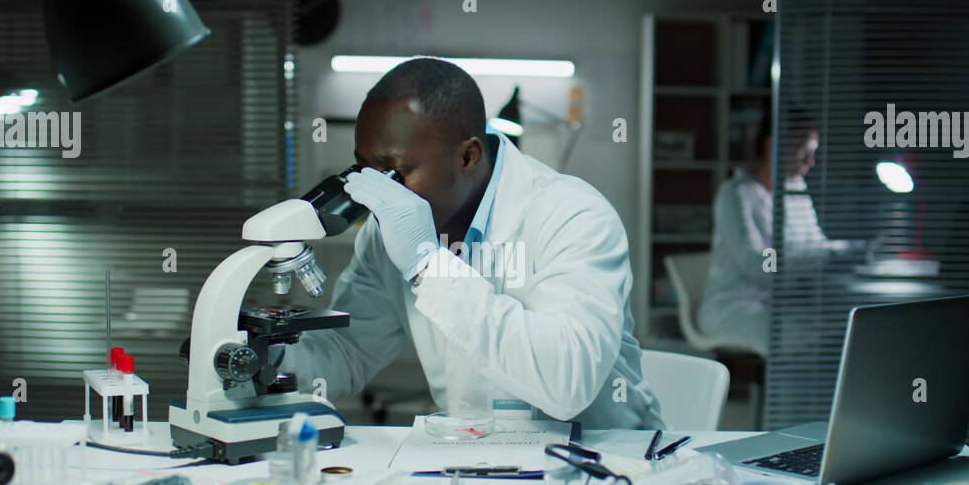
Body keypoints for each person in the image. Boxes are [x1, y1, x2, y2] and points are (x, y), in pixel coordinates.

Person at [287, 57, 662, 430]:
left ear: (468, 156)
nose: (376, 193)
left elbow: (566, 383)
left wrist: (427, 267)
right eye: (363, 169)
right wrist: (266, 361)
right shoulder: (386, 233)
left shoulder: (573, 214)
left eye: (395, 172)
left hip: (603, 459)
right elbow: (348, 351)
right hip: (477, 456)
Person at [698, 109, 863, 357]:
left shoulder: (796, 190)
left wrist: (849, 250)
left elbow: (815, 244)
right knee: (804, 337)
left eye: (812, 153)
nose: (810, 162)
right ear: (771, 143)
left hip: (782, 304)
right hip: (736, 305)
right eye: (802, 152)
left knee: (840, 326)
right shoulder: (736, 193)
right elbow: (756, 263)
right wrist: (822, 258)